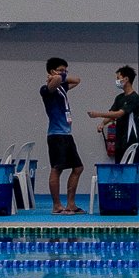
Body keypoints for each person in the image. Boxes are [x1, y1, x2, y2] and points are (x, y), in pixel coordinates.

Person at [41, 57, 86, 214]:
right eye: (61, 70)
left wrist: (60, 75)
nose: (64, 73)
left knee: (78, 168)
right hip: (56, 135)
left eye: (66, 70)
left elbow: (77, 80)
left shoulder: (62, 88)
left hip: (66, 134)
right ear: (52, 71)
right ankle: (57, 205)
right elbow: (55, 82)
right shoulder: (46, 89)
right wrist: (56, 77)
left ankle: (70, 204)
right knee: (57, 169)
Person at [90, 66, 139, 167]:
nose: (117, 81)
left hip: (130, 140)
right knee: (119, 166)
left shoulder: (134, 98)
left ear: (126, 79)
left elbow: (119, 113)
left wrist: (98, 114)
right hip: (119, 140)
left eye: (118, 78)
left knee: (129, 168)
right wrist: (103, 123)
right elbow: (112, 114)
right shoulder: (119, 98)